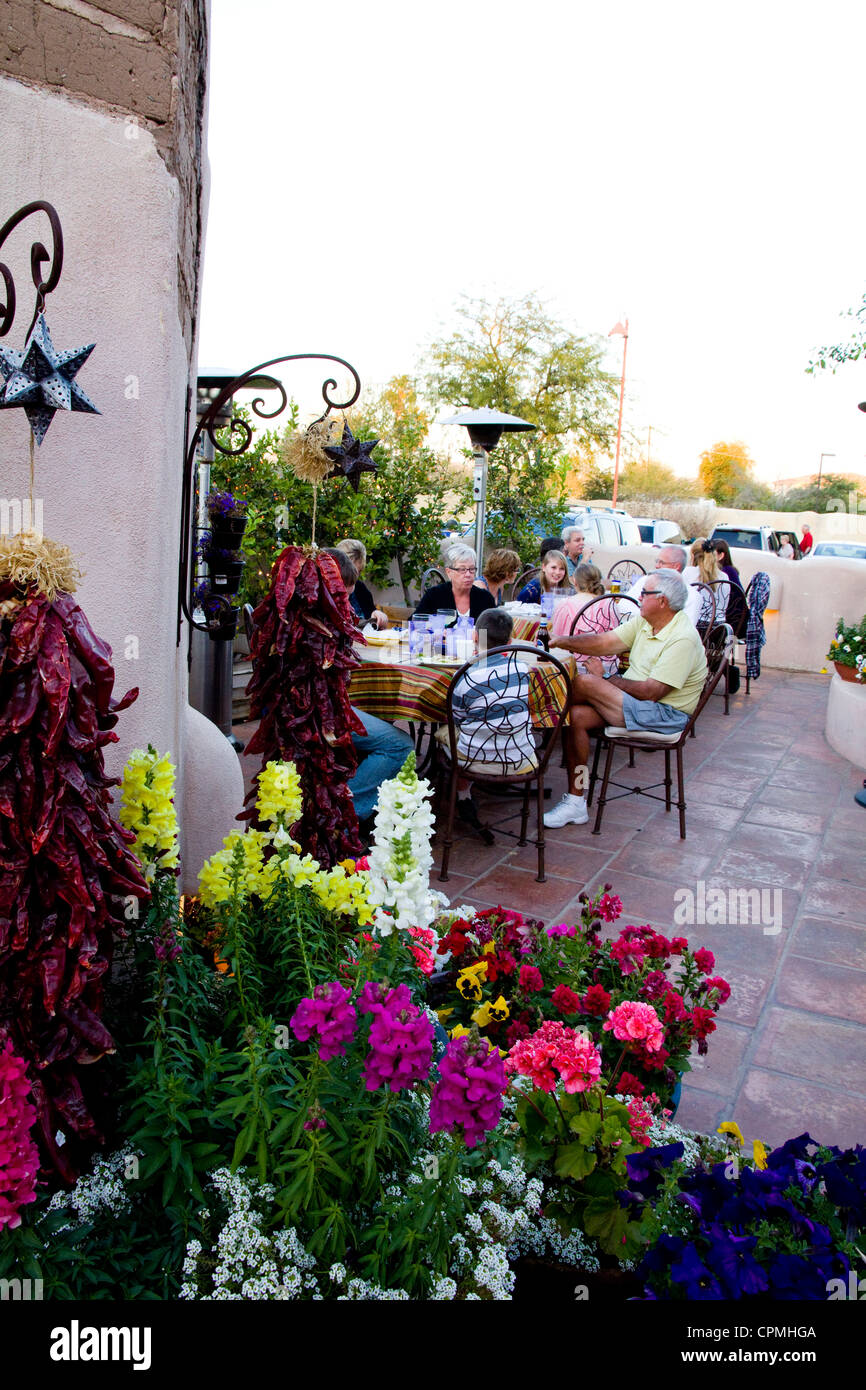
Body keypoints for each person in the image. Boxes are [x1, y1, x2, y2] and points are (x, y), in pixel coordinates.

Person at [545, 570, 707, 828]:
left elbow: (652, 692)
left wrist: (606, 679)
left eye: (645, 593)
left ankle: (534, 713)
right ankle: (576, 801)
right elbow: (603, 642)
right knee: (575, 716)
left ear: (662, 601)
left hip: (664, 715)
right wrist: (564, 641)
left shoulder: (682, 638)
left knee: (585, 682)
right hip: (635, 704)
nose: (638, 597)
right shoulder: (646, 621)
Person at [321, 549, 414, 832]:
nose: (347, 604)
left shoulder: (310, 613)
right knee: (400, 746)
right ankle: (343, 812)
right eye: (343, 596)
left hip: (323, 707)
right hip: (322, 714)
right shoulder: (321, 624)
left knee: (377, 717)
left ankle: (344, 804)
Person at [436, 608, 536, 834]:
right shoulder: (522, 669)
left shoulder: (463, 675)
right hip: (521, 755)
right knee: (485, 728)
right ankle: (465, 795)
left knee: (446, 735)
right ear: (510, 641)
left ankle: (459, 795)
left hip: (474, 758)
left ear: (474, 637)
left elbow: (457, 720)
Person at [550, 563, 620, 675]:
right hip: (606, 666)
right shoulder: (610, 604)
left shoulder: (565, 605)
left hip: (573, 666)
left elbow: (555, 639)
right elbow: (617, 635)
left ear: (575, 582)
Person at [623, 545, 703, 627]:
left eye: (662, 562)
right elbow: (623, 604)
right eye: (657, 561)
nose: (657, 566)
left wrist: (649, 618)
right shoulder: (645, 581)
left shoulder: (693, 597)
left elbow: (687, 629)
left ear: (676, 566)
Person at [414, 543, 497, 620]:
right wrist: (437, 629)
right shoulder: (435, 595)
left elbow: (493, 630)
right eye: (462, 569)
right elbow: (415, 622)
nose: (468, 574)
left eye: (471, 569)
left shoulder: (485, 598)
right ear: (449, 572)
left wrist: (479, 634)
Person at [336, 538, 388, 630]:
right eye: (349, 572)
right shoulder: (326, 590)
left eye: (357, 572)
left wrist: (377, 616)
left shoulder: (360, 588)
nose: (353, 577)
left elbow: (371, 619)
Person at [683, 538, 730, 630]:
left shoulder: (688, 572)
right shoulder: (724, 576)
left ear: (692, 555)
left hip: (695, 627)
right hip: (718, 628)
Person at [713, 537, 749, 633]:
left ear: (721, 555)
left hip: (731, 620)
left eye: (712, 554)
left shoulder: (725, 572)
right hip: (732, 618)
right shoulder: (730, 570)